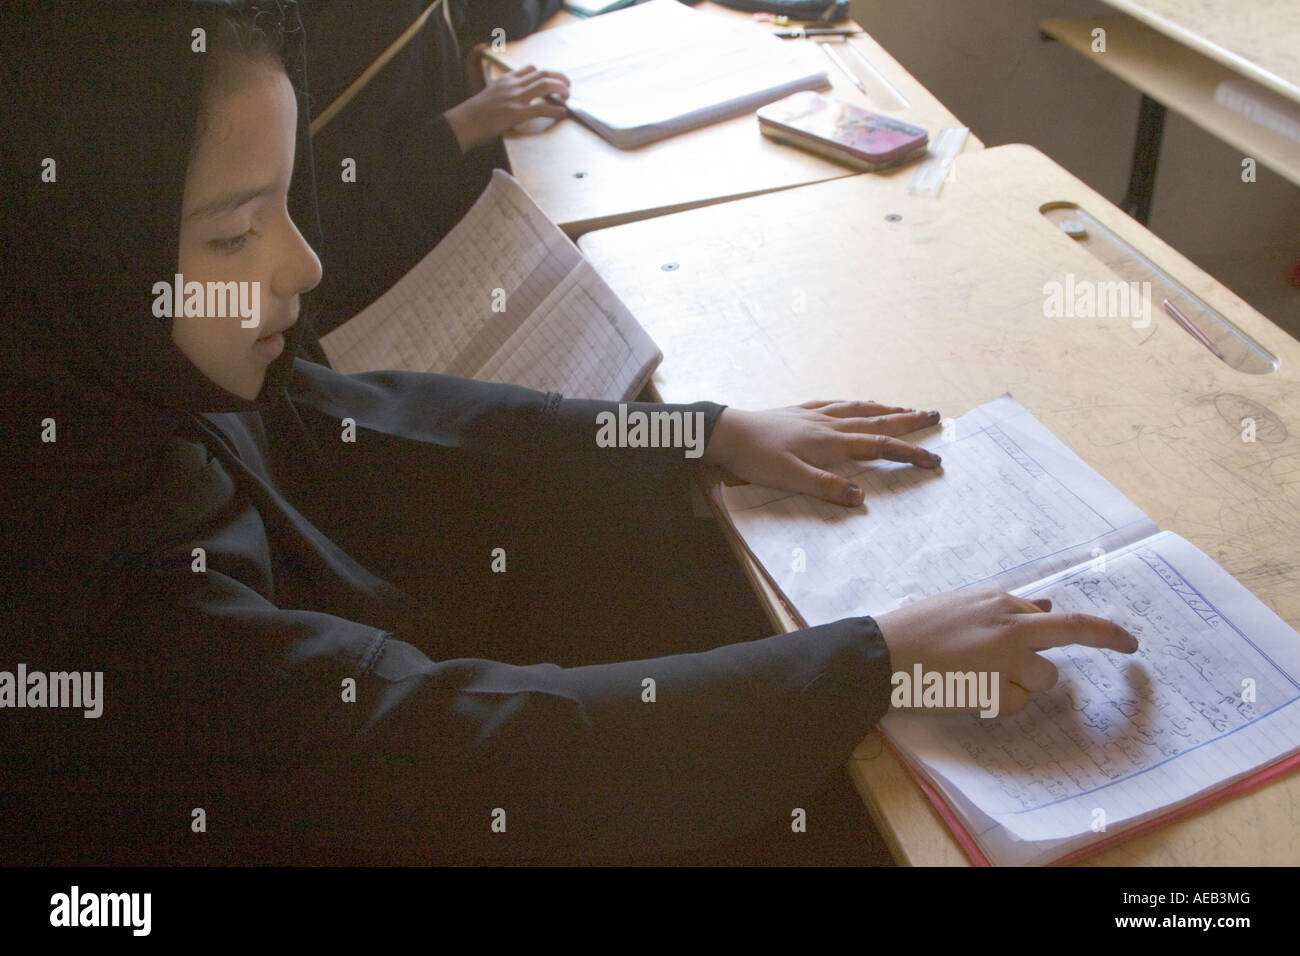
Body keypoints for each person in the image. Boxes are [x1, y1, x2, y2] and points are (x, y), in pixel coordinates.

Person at [0, 0, 1138, 866]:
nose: (304, 264)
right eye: (236, 233)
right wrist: (872, 661)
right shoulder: (83, 591)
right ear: (78, 252)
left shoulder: (117, 381)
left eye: (286, 206)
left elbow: (367, 421)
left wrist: (699, 434)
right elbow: (442, 753)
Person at [301, 0, 571, 334]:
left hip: (441, 214)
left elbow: (500, 15)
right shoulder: (338, 28)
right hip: (372, 295)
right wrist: (465, 122)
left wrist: (467, 67)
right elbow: (335, 211)